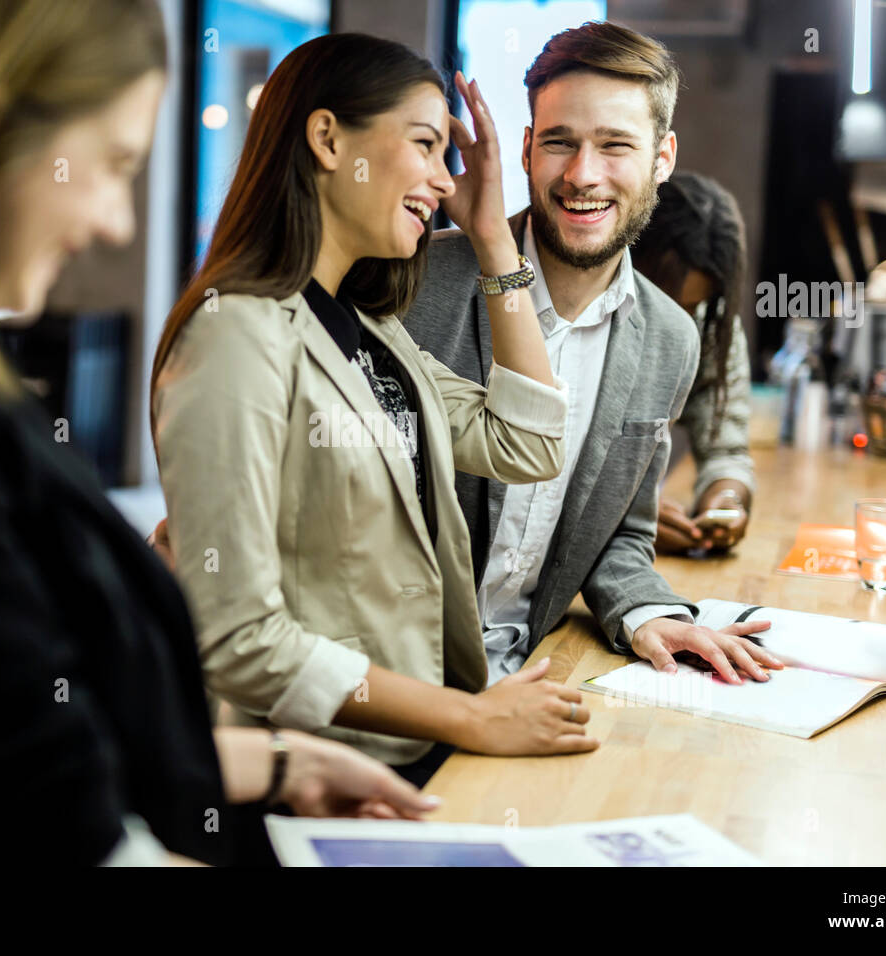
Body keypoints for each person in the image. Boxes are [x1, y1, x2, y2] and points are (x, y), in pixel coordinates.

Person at [0, 0, 434, 868]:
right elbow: (36, 820)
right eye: (111, 165)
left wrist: (279, 762)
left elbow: (27, 725)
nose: (115, 224)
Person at [151, 33, 597, 784]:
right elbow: (241, 639)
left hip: (414, 754)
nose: (443, 178)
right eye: (425, 144)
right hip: (314, 777)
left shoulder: (369, 331)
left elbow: (528, 444)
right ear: (327, 139)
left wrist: (493, 237)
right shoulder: (236, 332)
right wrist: (469, 715)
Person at [401, 22, 780, 684]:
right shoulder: (414, 282)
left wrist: (647, 611)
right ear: (524, 150)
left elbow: (620, 532)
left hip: (532, 672)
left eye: (615, 146)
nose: (583, 175)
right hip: (399, 681)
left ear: (662, 157)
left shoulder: (669, 339)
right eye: (559, 142)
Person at [630, 171, 755, 554]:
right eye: (665, 302)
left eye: (692, 307)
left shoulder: (712, 328)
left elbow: (725, 452)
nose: (680, 325)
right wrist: (629, 518)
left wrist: (728, 500)